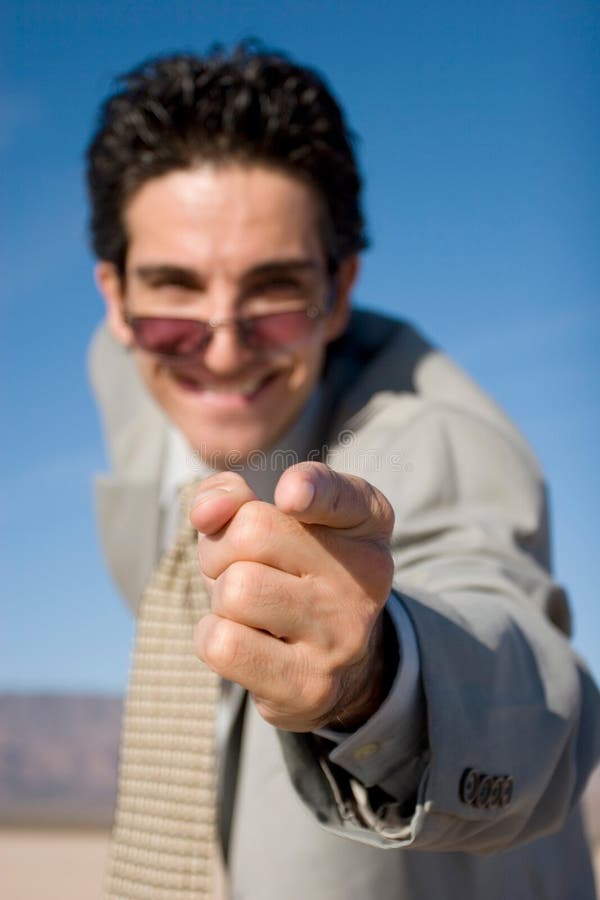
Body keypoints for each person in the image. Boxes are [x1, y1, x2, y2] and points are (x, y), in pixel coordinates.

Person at [86, 43, 600, 899]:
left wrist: (375, 675)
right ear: (116, 299)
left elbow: (520, 667)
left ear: (341, 287)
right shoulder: (125, 376)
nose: (220, 344)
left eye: (274, 291)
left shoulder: (436, 442)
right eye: (174, 291)